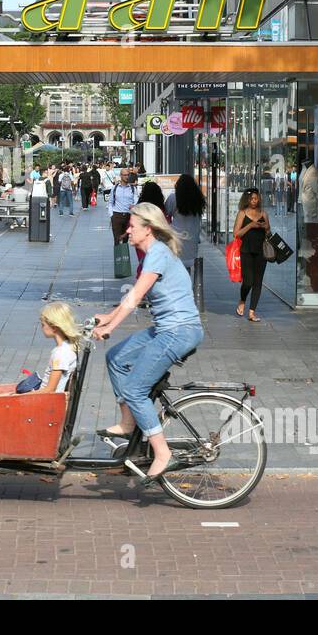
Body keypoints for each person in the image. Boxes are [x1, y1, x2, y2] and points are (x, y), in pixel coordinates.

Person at [92, 202, 203, 482]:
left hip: (179, 331)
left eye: (132, 226)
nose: (127, 230)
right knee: (115, 358)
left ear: (148, 229)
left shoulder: (157, 254)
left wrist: (111, 327)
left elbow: (135, 297)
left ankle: (162, 453)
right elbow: (128, 298)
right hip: (165, 329)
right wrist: (108, 316)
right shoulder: (152, 254)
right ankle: (129, 421)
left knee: (135, 388)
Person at [1, 302, 81, 396]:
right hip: (45, 397)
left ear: (54, 328)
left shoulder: (60, 354)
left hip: (47, 401)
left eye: (43, 324)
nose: (41, 327)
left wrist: (19, 396)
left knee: (0, 398)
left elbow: (50, 389)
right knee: (3, 395)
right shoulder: (66, 348)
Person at [233, 188, 271, 322]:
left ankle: (252, 312)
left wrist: (265, 227)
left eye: (256, 198)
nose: (254, 201)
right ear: (247, 199)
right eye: (252, 199)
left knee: (258, 282)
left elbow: (268, 232)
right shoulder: (242, 213)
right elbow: (236, 233)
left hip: (261, 252)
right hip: (246, 251)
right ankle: (242, 300)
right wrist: (251, 226)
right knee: (248, 281)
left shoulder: (264, 214)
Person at [165, 173, 206, 276]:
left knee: (176, 266)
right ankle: (186, 286)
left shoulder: (173, 198)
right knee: (187, 266)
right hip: (192, 237)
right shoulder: (198, 199)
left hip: (177, 237)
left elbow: (166, 212)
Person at [108, 168, 139, 245]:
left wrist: (133, 205)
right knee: (117, 240)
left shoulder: (132, 188)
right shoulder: (114, 188)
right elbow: (110, 202)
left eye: (128, 175)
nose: (127, 177)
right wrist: (111, 215)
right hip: (116, 215)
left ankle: (124, 256)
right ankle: (118, 256)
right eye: (125, 175)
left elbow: (136, 201)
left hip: (128, 216)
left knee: (125, 239)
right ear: (120, 176)